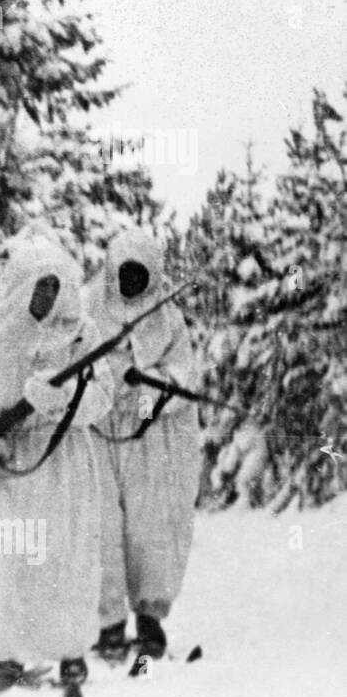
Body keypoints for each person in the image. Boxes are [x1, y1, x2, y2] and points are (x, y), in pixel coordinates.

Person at [0, 233, 112, 690]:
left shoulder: (81, 334)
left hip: (63, 461)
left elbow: (103, 397)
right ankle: (10, 655)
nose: (48, 296)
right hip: (4, 464)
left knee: (67, 560)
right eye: (38, 285)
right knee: (7, 563)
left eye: (55, 285)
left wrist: (65, 397)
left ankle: (71, 652)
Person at [86, 227, 203, 660]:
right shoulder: (87, 306)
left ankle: (149, 617)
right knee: (101, 527)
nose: (131, 282)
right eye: (124, 272)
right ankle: (108, 621)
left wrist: (148, 396)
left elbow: (183, 374)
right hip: (97, 435)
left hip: (150, 441)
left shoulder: (167, 318)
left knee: (150, 527)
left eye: (139, 274)